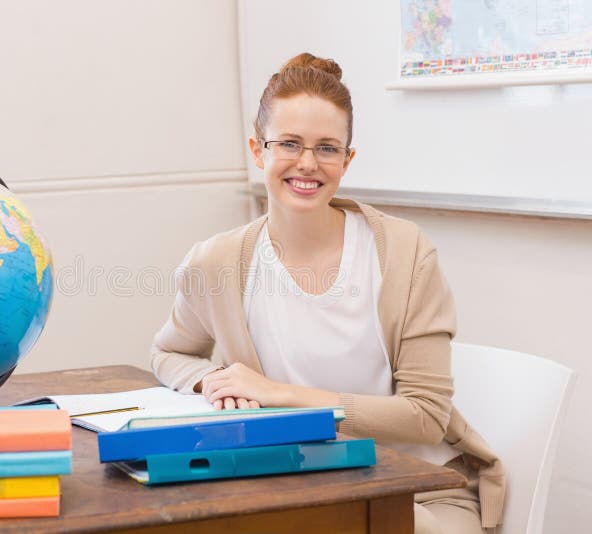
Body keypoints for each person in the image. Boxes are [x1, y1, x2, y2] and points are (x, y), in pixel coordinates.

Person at [150, 52, 504, 533]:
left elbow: (425, 417)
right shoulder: (216, 262)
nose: (307, 163)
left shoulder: (404, 253)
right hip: (293, 484)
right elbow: (169, 352)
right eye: (289, 143)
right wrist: (214, 379)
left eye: (327, 148)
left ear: (347, 159)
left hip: (414, 491)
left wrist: (279, 395)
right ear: (258, 150)